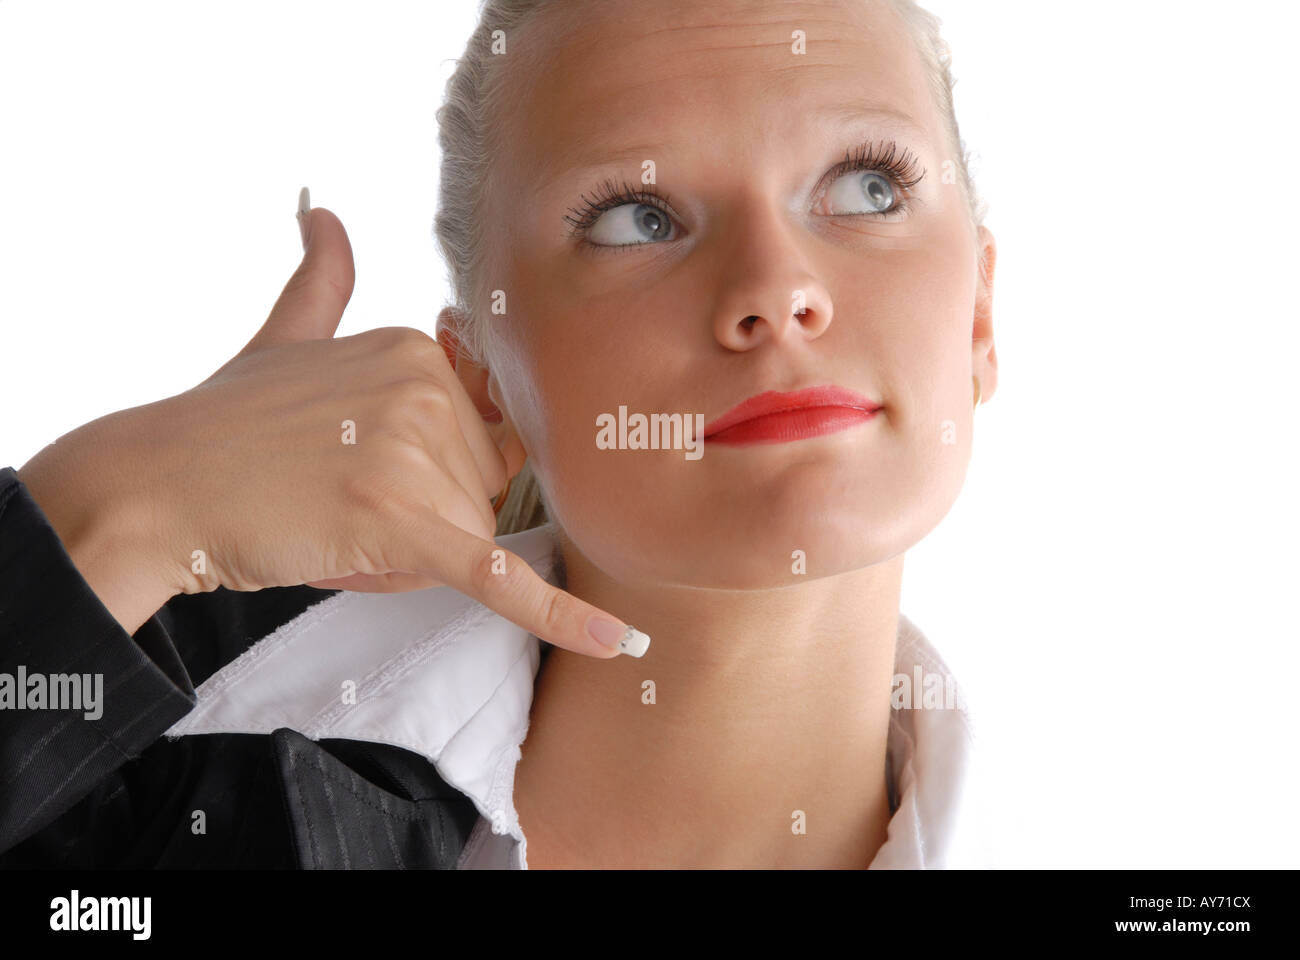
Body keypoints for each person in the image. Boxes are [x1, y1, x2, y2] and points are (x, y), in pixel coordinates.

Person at [0, 0, 997, 869]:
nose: (777, 289)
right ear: (485, 383)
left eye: (869, 185)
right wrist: (112, 511)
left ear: (979, 323)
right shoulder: (151, 779)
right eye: (637, 219)